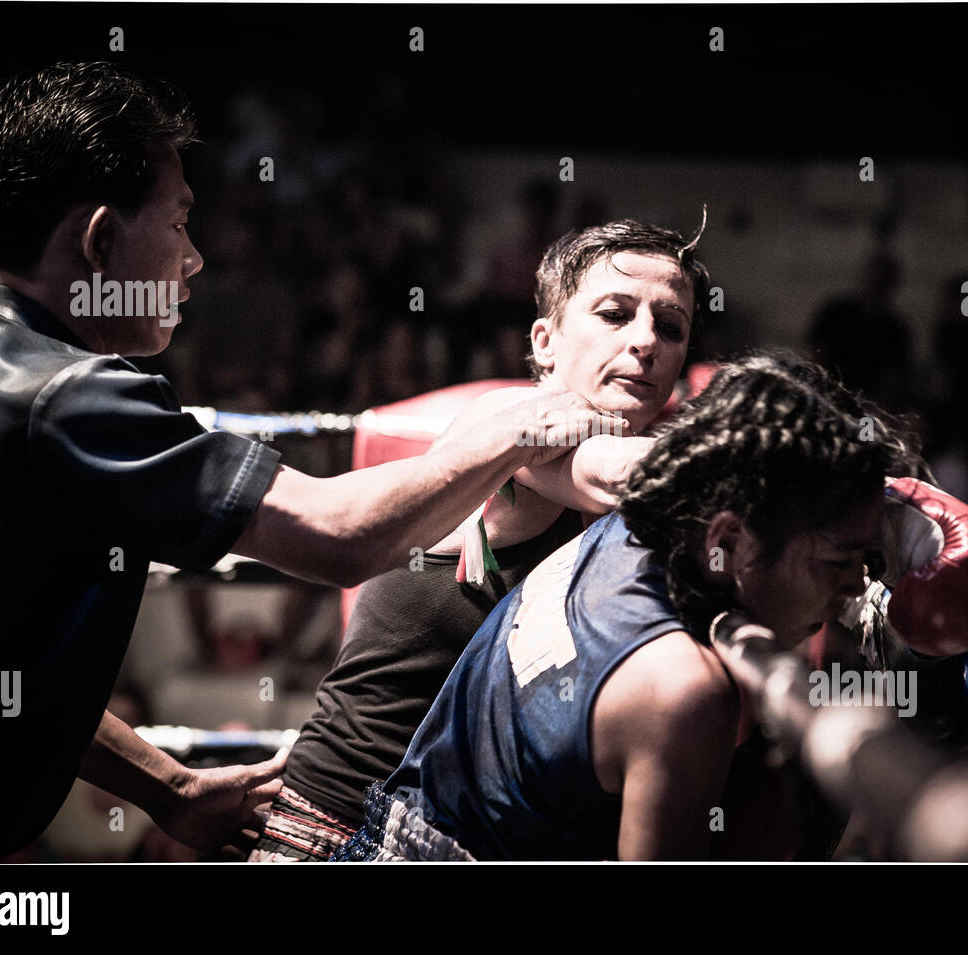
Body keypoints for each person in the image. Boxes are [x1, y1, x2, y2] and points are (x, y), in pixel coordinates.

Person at [0, 61, 613, 863]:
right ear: (102, 239)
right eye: (178, 224)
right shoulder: (74, 397)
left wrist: (167, 787)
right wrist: (516, 425)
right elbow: (341, 536)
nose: (194, 260)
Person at [338, 353, 968, 861]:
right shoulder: (683, 693)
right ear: (729, 541)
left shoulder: (636, 522)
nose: (854, 590)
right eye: (839, 563)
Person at [251, 219, 710, 860]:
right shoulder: (502, 425)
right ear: (545, 342)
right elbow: (608, 474)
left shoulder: (663, 479)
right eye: (615, 314)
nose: (645, 342)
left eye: (671, 326)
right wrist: (784, 463)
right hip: (342, 832)